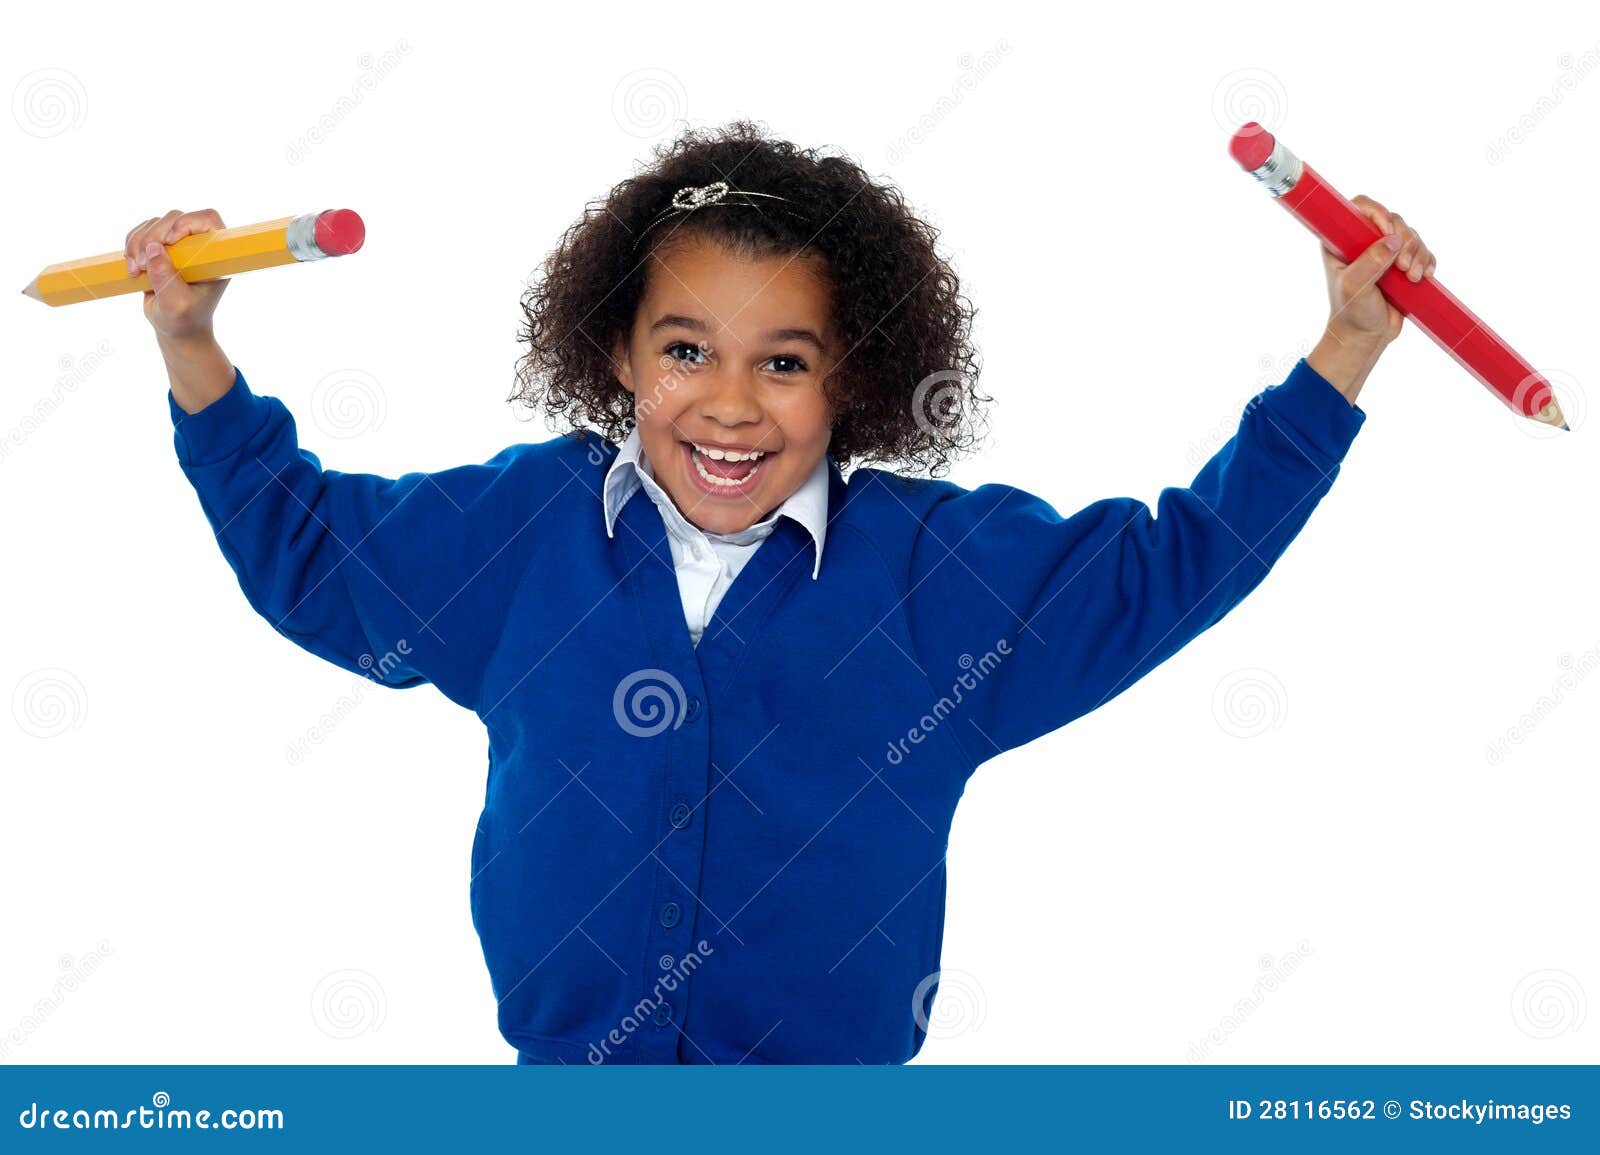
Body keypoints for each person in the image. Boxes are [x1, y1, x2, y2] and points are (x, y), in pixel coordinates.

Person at [129, 120, 1434, 1064]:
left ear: (853, 381)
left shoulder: (940, 578)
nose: (733, 405)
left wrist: (1344, 350)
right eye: (686, 349)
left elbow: (1174, 563)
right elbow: (308, 553)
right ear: (619, 358)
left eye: (786, 362)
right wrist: (191, 343)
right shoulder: (522, 535)